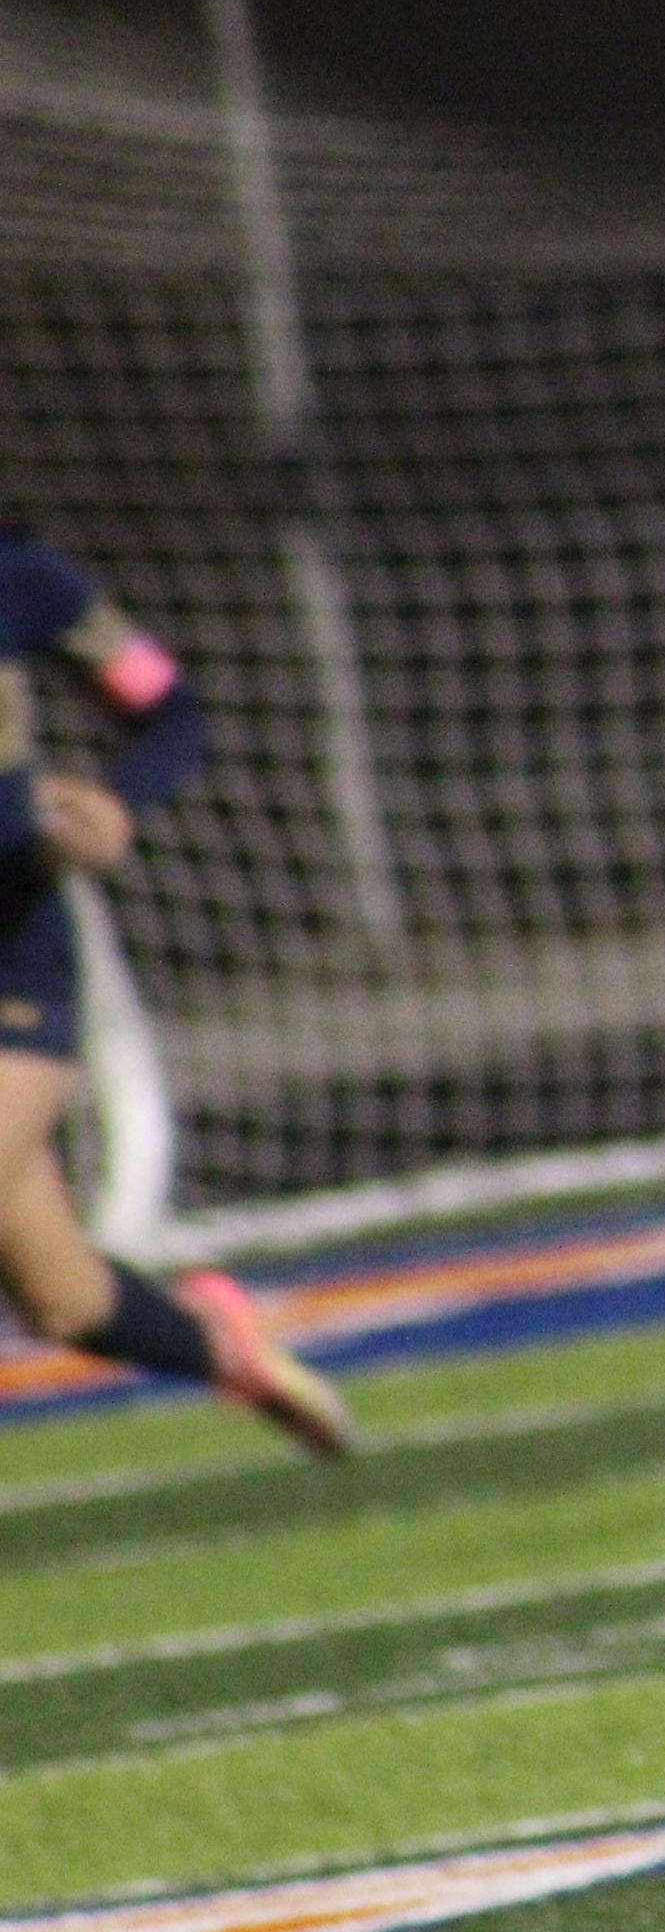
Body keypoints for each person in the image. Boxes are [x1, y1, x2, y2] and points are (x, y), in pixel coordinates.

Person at [0, 523, 351, 1457]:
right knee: (66, 1302)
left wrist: (116, 806)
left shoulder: (24, 582)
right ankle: (222, 1348)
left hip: (11, 957)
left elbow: (170, 710)